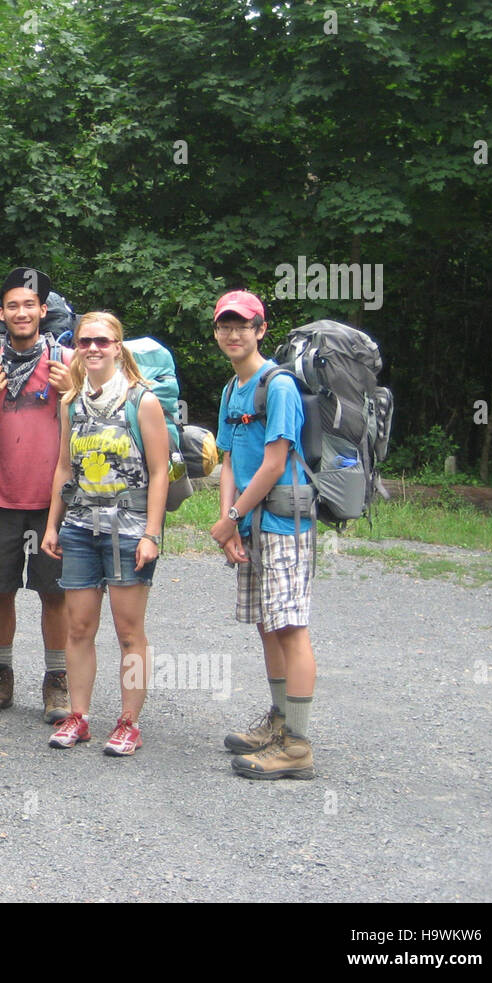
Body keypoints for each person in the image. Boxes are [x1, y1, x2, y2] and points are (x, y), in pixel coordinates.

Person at [41, 312, 168, 752]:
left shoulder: (141, 401)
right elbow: (63, 467)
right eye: (84, 341)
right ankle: (79, 716)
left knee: (129, 631)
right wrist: (52, 524)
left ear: (117, 347)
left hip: (129, 528)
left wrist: (152, 533)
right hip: (80, 526)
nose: (93, 348)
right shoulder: (71, 402)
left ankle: (129, 722)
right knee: (78, 628)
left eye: (102, 341)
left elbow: (159, 471)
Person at [209, 290, 317, 780]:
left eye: (243, 325)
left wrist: (233, 516)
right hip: (249, 524)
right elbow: (229, 460)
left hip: (282, 525)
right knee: (267, 625)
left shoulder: (279, 387)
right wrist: (229, 522)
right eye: (225, 325)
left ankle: (297, 745)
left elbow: (275, 463)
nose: (233, 334)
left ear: (261, 330)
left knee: (290, 627)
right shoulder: (233, 389)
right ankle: (279, 722)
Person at [0, 268, 73, 723]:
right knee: (0, 590)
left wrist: (72, 393)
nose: (22, 312)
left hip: (53, 502)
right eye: (13, 305)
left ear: (43, 310)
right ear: (1, 312)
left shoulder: (67, 363)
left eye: (30, 304)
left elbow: (88, 427)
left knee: (54, 594)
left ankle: (57, 682)